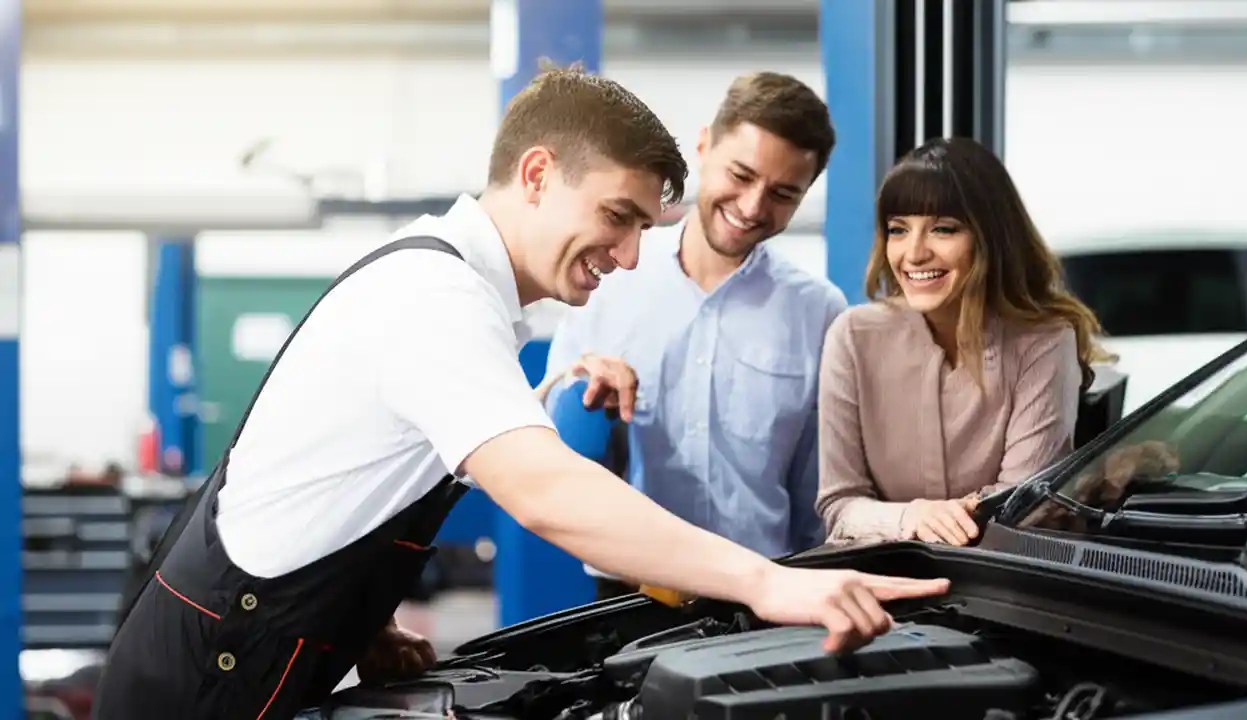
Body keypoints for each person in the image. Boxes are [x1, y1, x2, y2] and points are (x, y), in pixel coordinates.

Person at [92, 67, 949, 720]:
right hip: (211, 676)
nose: (625, 257)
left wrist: (356, 619)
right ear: (537, 173)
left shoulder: (458, 288)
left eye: (641, 231)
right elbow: (544, 490)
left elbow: (339, 482)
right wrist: (767, 584)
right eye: (617, 218)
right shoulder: (437, 300)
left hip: (252, 647)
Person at [539, 71, 847, 600]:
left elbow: (814, 494)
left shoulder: (818, 312)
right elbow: (542, 435)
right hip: (629, 596)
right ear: (704, 146)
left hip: (762, 596)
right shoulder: (611, 275)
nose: (752, 206)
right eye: (741, 174)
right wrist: (578, 386)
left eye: (782, 193)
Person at [816, 136, 1111, 548]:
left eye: (943, 229)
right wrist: (912, 517)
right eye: (898, 230)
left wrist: (903, 517)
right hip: (873, 581)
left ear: (990, 237)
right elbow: (839, 504)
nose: (914, 253)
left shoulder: (1044, 341)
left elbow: (1021, 506)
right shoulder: (852, 336)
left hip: (995, 580)